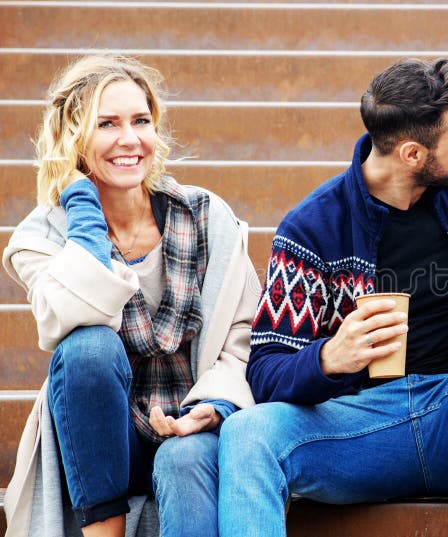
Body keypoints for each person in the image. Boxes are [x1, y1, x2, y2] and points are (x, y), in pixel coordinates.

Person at [217, 58, 448, 537]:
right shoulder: (313, 228)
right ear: (414, 154)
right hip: (368, 427)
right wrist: (331, 358)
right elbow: (266, 373)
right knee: (246, 435)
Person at [2, 54, 261, 537]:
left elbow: (246, 332)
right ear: (75, 141)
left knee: (185, 461)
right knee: (88, 347)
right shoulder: (42, 240)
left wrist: (213, 406)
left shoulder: (204, 217)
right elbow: (78, 311)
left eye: (140, 120)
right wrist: (82, 207)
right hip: (102, 443)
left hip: (190, 426)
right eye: (107, 124)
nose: (129, 138)